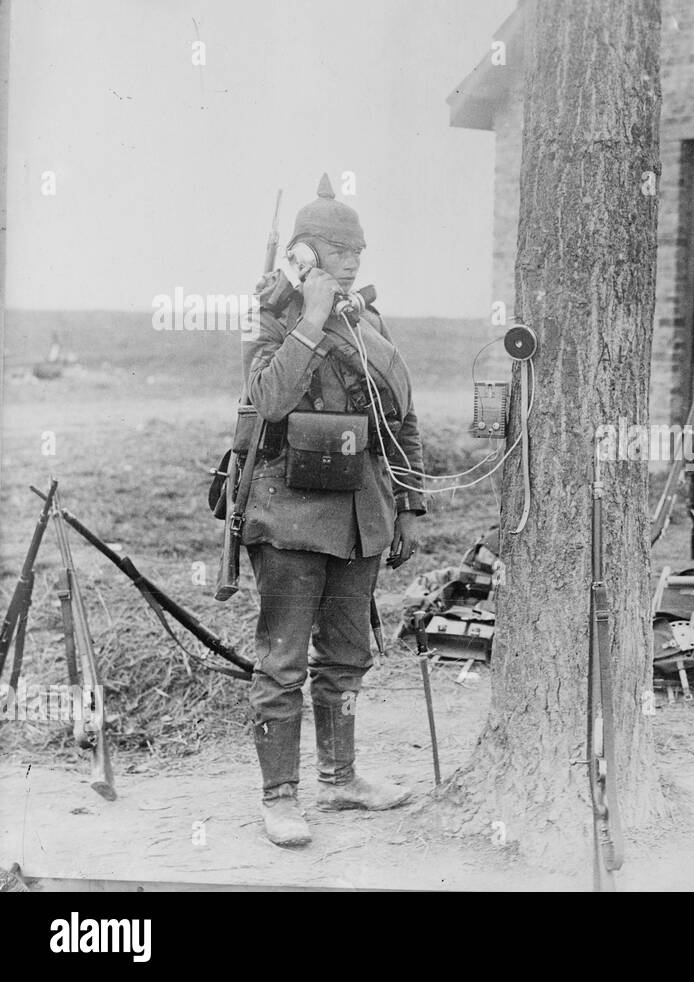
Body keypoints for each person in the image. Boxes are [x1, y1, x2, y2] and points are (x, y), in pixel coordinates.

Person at [241, 174, 426, 847]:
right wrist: (312, 318)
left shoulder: (368, 320)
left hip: (360, 517)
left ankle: (341, 777)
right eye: (338, 250)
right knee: (282, 661)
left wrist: (408, 504)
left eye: (358, 251)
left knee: (346, 657)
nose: (352, 260)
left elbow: (400, 416)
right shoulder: (279, 314)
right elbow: (268, 401)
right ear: (305, 254)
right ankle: (279, 797)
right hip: (291, 517)